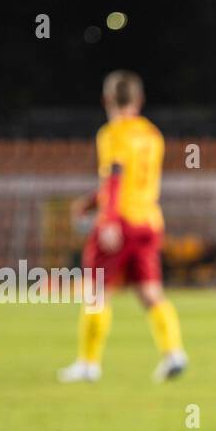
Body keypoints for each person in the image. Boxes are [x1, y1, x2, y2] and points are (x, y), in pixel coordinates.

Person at [58, 70, 187, 384]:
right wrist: (91, 202)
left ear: (106, 100)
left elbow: (115, 177)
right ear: (139, 100)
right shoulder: (153, 134)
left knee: (97, 292)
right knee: (150, 291)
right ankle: (173, 353)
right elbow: (131, 180)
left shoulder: (112, 133)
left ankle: (88, 364)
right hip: (149, 221)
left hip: (121, 220)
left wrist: (109, 220)